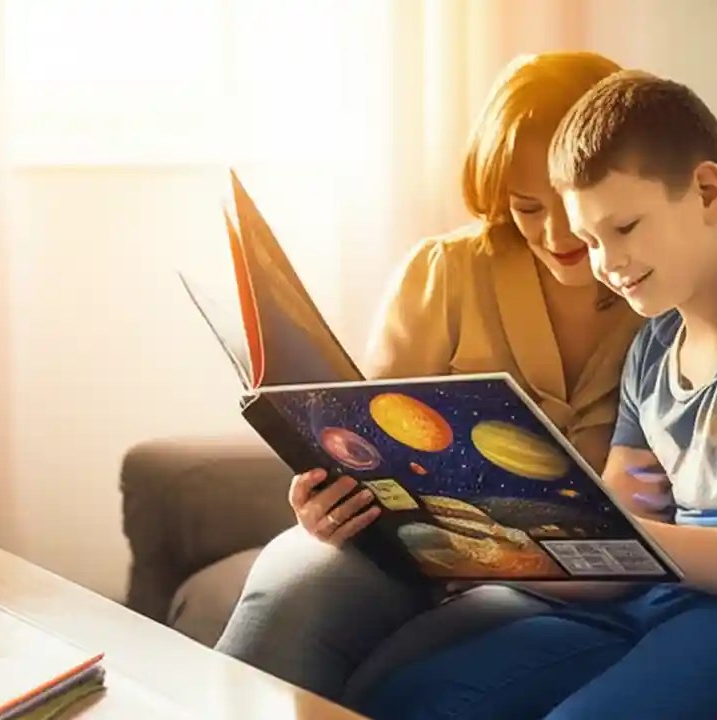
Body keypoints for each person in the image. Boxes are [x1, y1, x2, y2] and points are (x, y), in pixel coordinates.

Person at [357, 69, 717, 720]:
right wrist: (510, 551)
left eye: (625, 227)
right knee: (417, 697)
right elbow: (615, 548)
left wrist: (599, 531)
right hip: (674, 594)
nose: (604, 262)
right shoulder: (653, 347)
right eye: (592, 238)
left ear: (707, 192)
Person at [213, 51, 649, 705]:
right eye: (527, 208)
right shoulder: (447, 272)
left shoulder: (673, 280)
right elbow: (358, 433)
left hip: (568, 586)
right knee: (293, 587)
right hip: (415, 548)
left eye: (567, 202)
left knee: (401, 675)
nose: (556, 233)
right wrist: (320, 496)